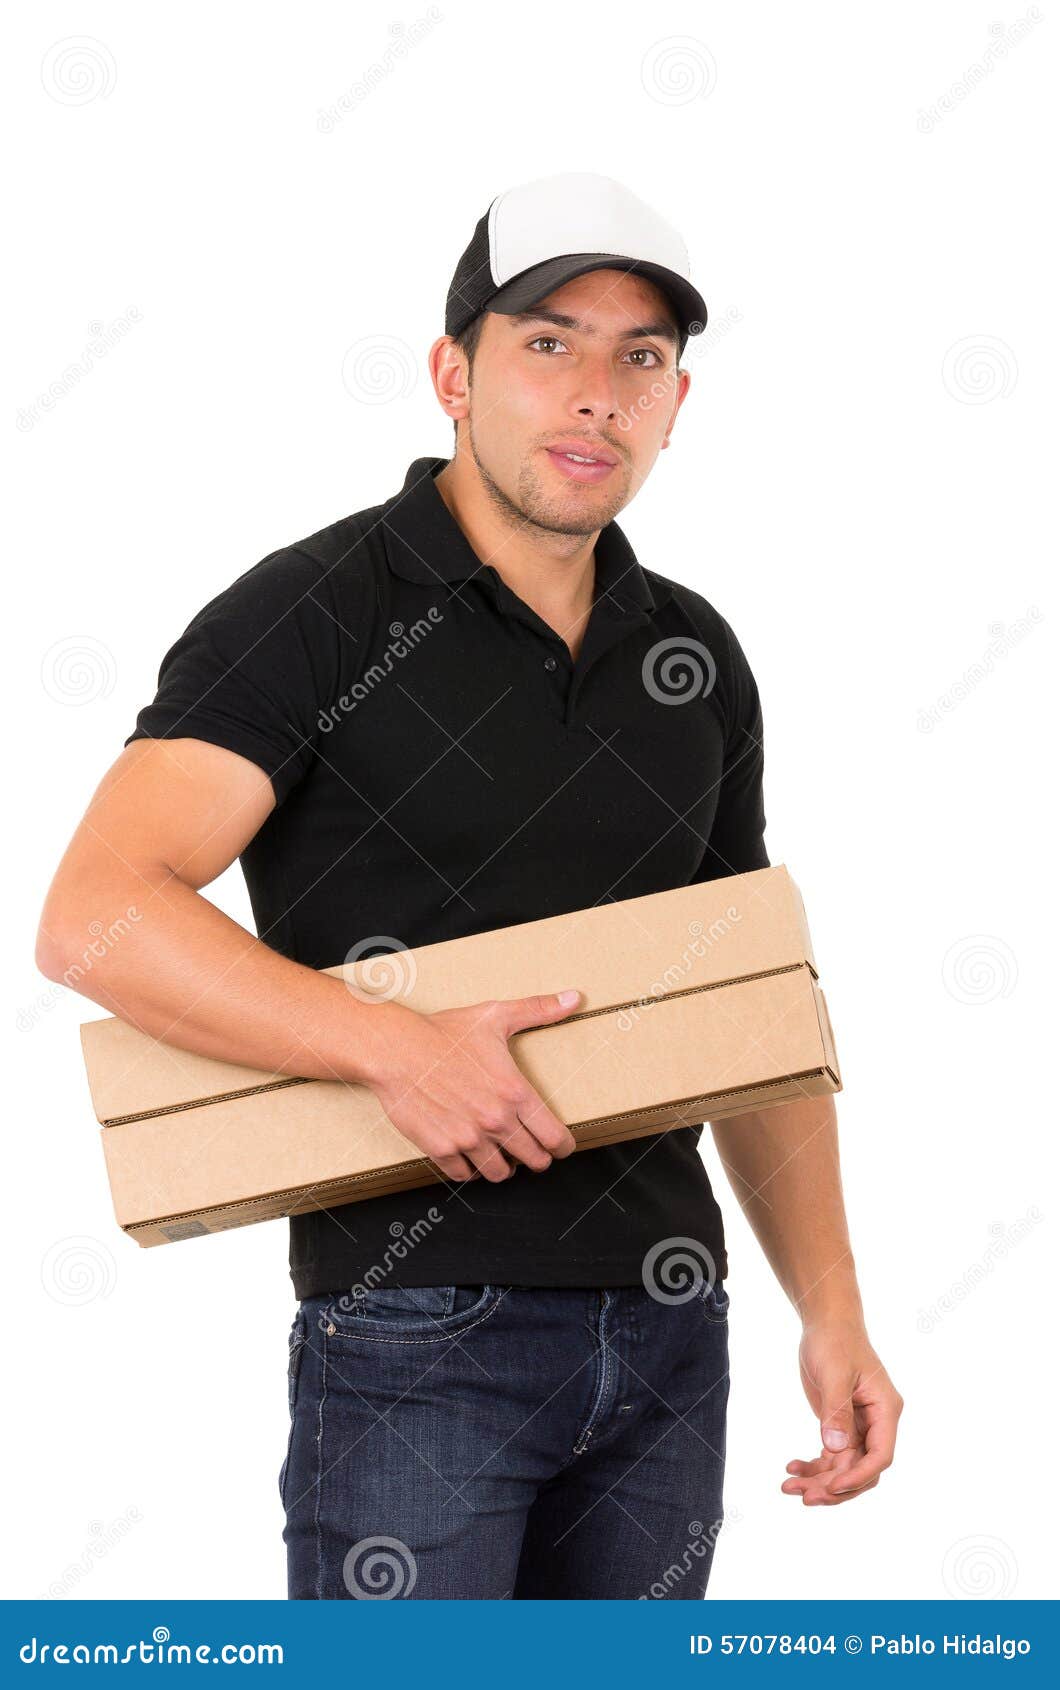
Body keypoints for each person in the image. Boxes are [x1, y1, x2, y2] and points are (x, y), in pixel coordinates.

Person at [36, 171, 903, 1600]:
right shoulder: (316, 613)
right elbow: (95, 914)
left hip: (671, 1327)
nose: (597, 395)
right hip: (418, 1327)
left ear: (678, 403)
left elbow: (749, 1004)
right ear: (453, 375)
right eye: (548, 343)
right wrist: (396, 1050)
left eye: (640, 358)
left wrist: (834, 1307)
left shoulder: (692, 655)